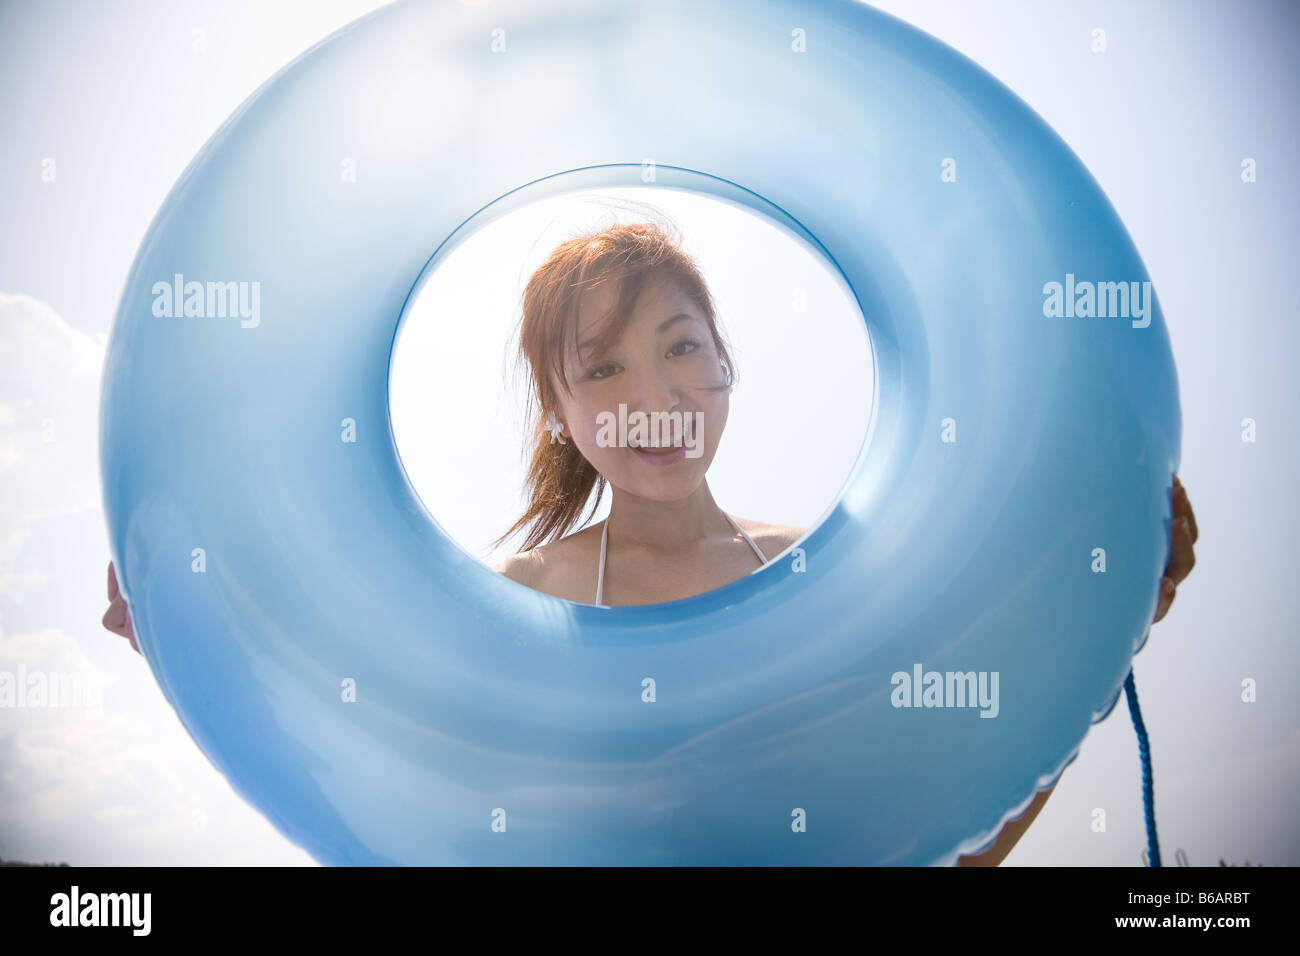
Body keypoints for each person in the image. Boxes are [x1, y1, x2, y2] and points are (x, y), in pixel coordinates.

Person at [101, 219, 1199, 865]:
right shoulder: (521, 601)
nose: (653, 395)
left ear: (726, 362)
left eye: (680, 347)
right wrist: (199, 659)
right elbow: (391, 797)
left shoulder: (824, 577)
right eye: (603, 367)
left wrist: (1101, 638)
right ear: (557, 410)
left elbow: (942, 843)